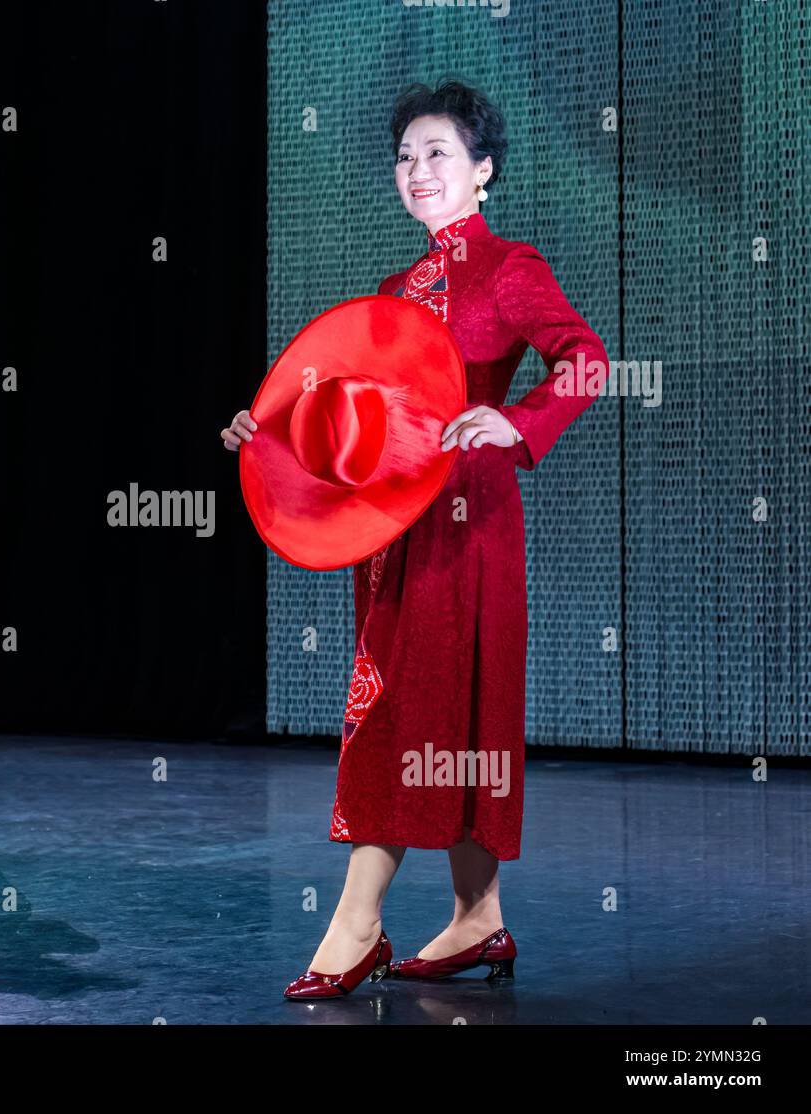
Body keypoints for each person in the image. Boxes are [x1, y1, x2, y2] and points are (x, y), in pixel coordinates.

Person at [222, 80, 608, 995]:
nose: (417, 169)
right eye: (405, 156)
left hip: (468, 530)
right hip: (391, 531)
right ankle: (479, 916)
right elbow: (348, 424)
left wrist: (517, 421)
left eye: (438, 152)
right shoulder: (394, 293)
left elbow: (585, 359)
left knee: (416, 711)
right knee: (436, 712)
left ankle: (355, 926)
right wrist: (265, 436)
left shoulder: (508, 266)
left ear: (484, 171)